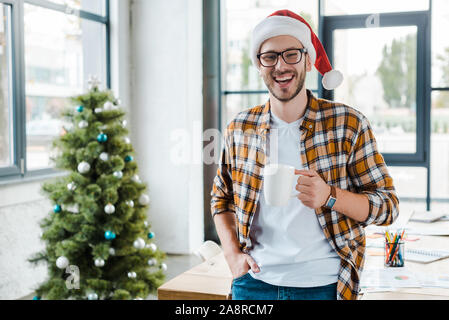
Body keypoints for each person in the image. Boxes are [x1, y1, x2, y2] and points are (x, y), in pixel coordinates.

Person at [210, 9, 399, 300]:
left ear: (308, 60)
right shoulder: (240, 127)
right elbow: (220, 198)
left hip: (323, 286)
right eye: (270, 56)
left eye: (291, 54)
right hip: (253, 284)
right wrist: (233, 255)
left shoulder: (347, 124)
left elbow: (387, 206)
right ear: (259, 65)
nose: (280, 65)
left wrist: (329, 196)